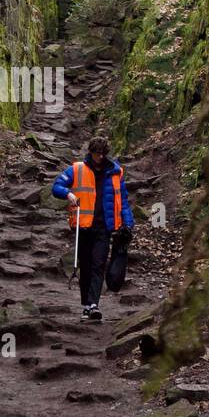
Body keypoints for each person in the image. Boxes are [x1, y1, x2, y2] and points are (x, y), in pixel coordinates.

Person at [51, 135, 134, 320]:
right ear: (91, 153)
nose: (100, 158)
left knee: (98, 264)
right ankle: (86, 304)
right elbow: (56, 186)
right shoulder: (77, 169)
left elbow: (123, 201)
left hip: (104, 227)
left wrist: (128, 223)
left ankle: (93, 304)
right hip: (83, 226)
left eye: (103, 154)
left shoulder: (115, 172)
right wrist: (68, 194)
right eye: (97, 154)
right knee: (86, 265)